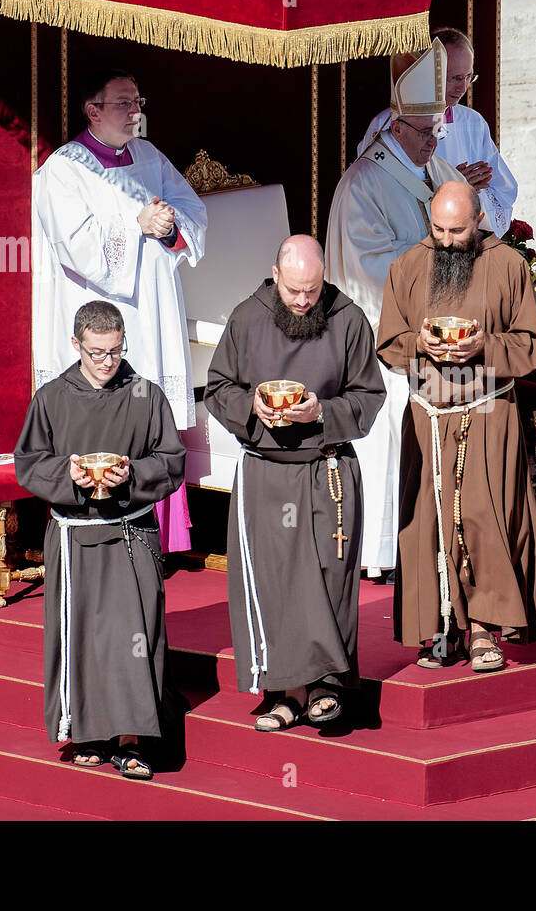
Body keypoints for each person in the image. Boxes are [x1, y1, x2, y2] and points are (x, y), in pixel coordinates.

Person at [378, 181, 536, 671]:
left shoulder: (507, 266)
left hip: (488, 411)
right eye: (437, 228)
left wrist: (484, 346)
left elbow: (530, 345)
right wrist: (421, 344)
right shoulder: (409, 266)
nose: (445, 239)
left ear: (478, 220)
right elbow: (389, 340)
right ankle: (442, 627)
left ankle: (484, 628)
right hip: (429, 416)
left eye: (456, 230)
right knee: (430, 524)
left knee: (486, 520)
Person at [203, 236, 385, 730]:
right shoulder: (247, 317)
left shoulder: (346, 318)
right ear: (275, 274)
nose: (304, 301)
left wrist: (322, 411)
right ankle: (283, 692)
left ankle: (328, 687)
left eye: (312, 289)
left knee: (331, 578)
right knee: (275, 581)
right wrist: (252, 408)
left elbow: (370, 395)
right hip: (267, 469)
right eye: (294, 291)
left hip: (328, 469)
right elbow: (218, 388)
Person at [32, 67, 206, 555]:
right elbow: (77, 248)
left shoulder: (148, 155)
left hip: (151, 310)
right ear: (93, 110)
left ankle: (161, 536)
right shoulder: (62, 171)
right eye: (124, 103)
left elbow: (190, 207)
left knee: (150, 416)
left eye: (138, 101)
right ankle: (101, 528)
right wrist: (137, 223)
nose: (136, 112)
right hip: (104, 314)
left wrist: (171, 225)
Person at [14, 300, 185, 781]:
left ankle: (133, 739)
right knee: (84, 636)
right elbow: (28, 464)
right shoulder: (51, 398)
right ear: (76, 345)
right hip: (76, 537)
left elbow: (172, 462)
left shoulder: (146, 396)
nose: (108, 361)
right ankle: (88, 732)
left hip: (131, 532)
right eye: (96, 352)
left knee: (135, 637)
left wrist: (132, 474)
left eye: (115, 350)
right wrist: (68, 475)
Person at [326, 38, 467, 577]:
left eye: (439, 133)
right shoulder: (365, 183)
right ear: (398, 128)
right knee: (389, 437)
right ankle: (381, 551)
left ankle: (434, 537)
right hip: (379, 338)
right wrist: (439, 263)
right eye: (428, 134)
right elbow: (369, 269)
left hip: (435, 333)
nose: (436, 143)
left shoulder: (433, 166)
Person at [357, 27, 519, 237]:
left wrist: (470, 194)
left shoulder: (473, 123)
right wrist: (457, 186)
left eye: (468, 76)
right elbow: (375, 193)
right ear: (430, 75)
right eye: (453, 78)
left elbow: (503, 190)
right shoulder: (387, 124)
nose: (463, 87)